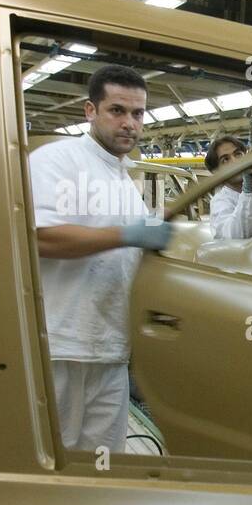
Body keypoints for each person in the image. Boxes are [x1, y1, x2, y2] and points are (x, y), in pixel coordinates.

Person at [30, 64, 172, 453]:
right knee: (53, 459)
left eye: (138, 113)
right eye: (117, 110)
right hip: (61, 344)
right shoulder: (58, 161)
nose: (129, 123)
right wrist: (127, 234)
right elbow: (41, 237)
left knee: (102, 462)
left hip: (109, 349)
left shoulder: (123, 178)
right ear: (90, 111)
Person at [204, 134, 252, 239]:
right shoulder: (220, 202)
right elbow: (234, 237)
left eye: (238, 154)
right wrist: (248, 189)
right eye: (225, 159)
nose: (235, 161)